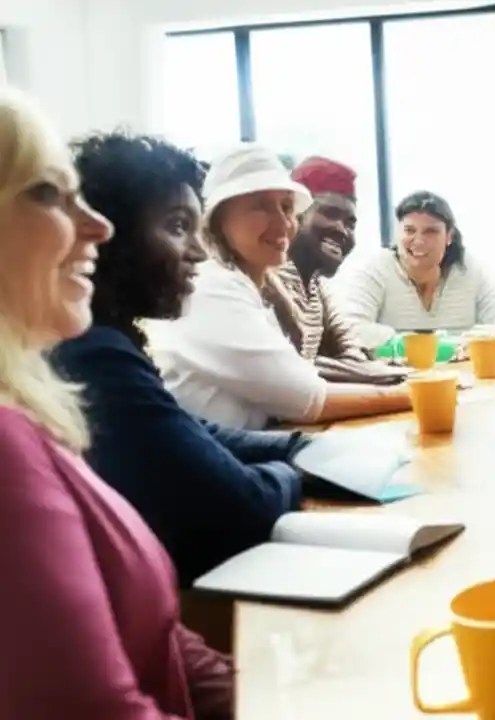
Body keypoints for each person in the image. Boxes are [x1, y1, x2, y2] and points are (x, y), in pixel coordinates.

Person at [0, 87, 233, 718]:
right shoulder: (4, 445)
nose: (98, 226)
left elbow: (155, 640)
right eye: (49, 194)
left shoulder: (31, 404)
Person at [52, 131, 309, 587]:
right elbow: (239, 510)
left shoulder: (108, 338)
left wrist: (298, 448)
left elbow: (187, 429)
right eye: (176, 227)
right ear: (107, 233)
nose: (196, 252)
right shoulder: (91, 354)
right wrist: (294, 471)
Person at [155, 144, 411, 430]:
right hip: (212, 467)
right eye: (260, 207)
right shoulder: (211, 289)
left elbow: (337, 357)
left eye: (287, 208)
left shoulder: (256, 286)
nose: (283, 223)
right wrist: (417, 394)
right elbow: (309, 397)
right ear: (216, 220)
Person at [335, 190, 495, 348]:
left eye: (430, 232)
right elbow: (348, 329)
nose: (419, 240)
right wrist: (424, 346)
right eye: (409, 230)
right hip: (394, 380)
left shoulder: (468, 269)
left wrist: (466, 342)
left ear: (449, 236)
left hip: (463, 378)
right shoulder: (375, 269)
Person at [272, 155, 369, 363]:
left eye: (350, 223)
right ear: (292, 216)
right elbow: (289, 372)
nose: (342, 230)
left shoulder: (316, 288)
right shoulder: (268, 281)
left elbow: (352, 349)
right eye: (330, 213)